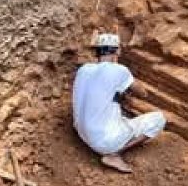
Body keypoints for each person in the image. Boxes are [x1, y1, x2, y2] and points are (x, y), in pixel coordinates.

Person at [71, 32, 166, 173]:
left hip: (81, 132)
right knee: (159, 119)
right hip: (102, 141)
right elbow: (142, 93)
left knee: (116, 109)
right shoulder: (119, 70)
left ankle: (111, 142)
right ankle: (113, 154)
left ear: (98, 51)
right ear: (117, 51)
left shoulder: (84, 69)